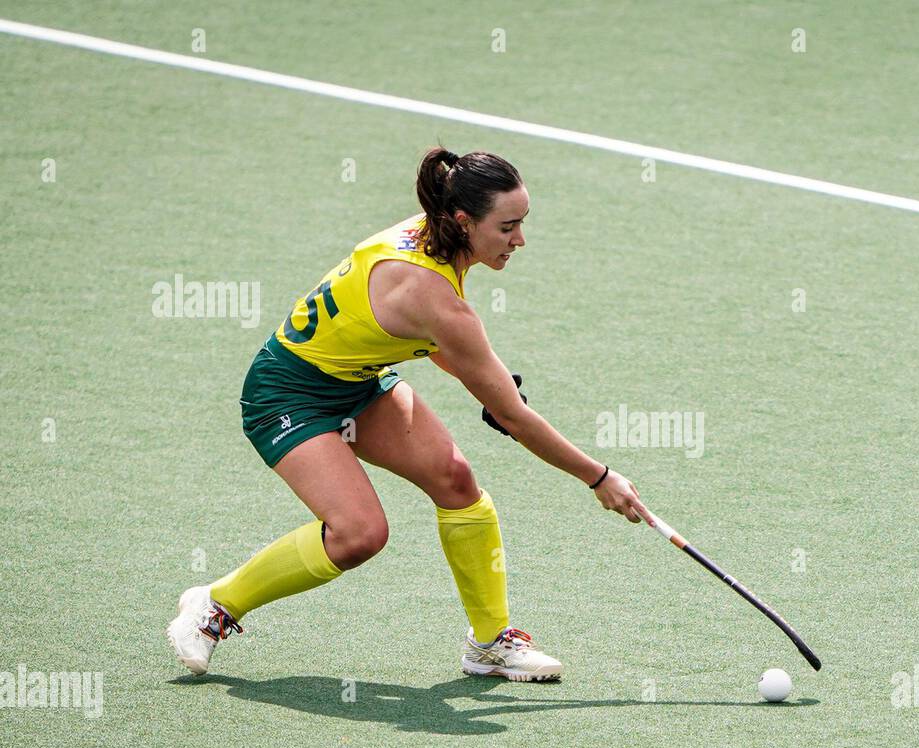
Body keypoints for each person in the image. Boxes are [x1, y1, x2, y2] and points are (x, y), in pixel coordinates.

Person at [167, 147, 650, 682]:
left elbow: (412, 333)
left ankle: (489, 644)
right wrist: (599, 477)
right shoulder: (436, 298)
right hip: (288, 393)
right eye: (508, 227)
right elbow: (508, 411)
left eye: (523, 223)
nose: (520, 240)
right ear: (463, 221)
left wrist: (482, 384)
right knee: (359, 534)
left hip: (358, 379)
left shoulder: (437, 237)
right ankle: (215, 604)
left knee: (456, 479)